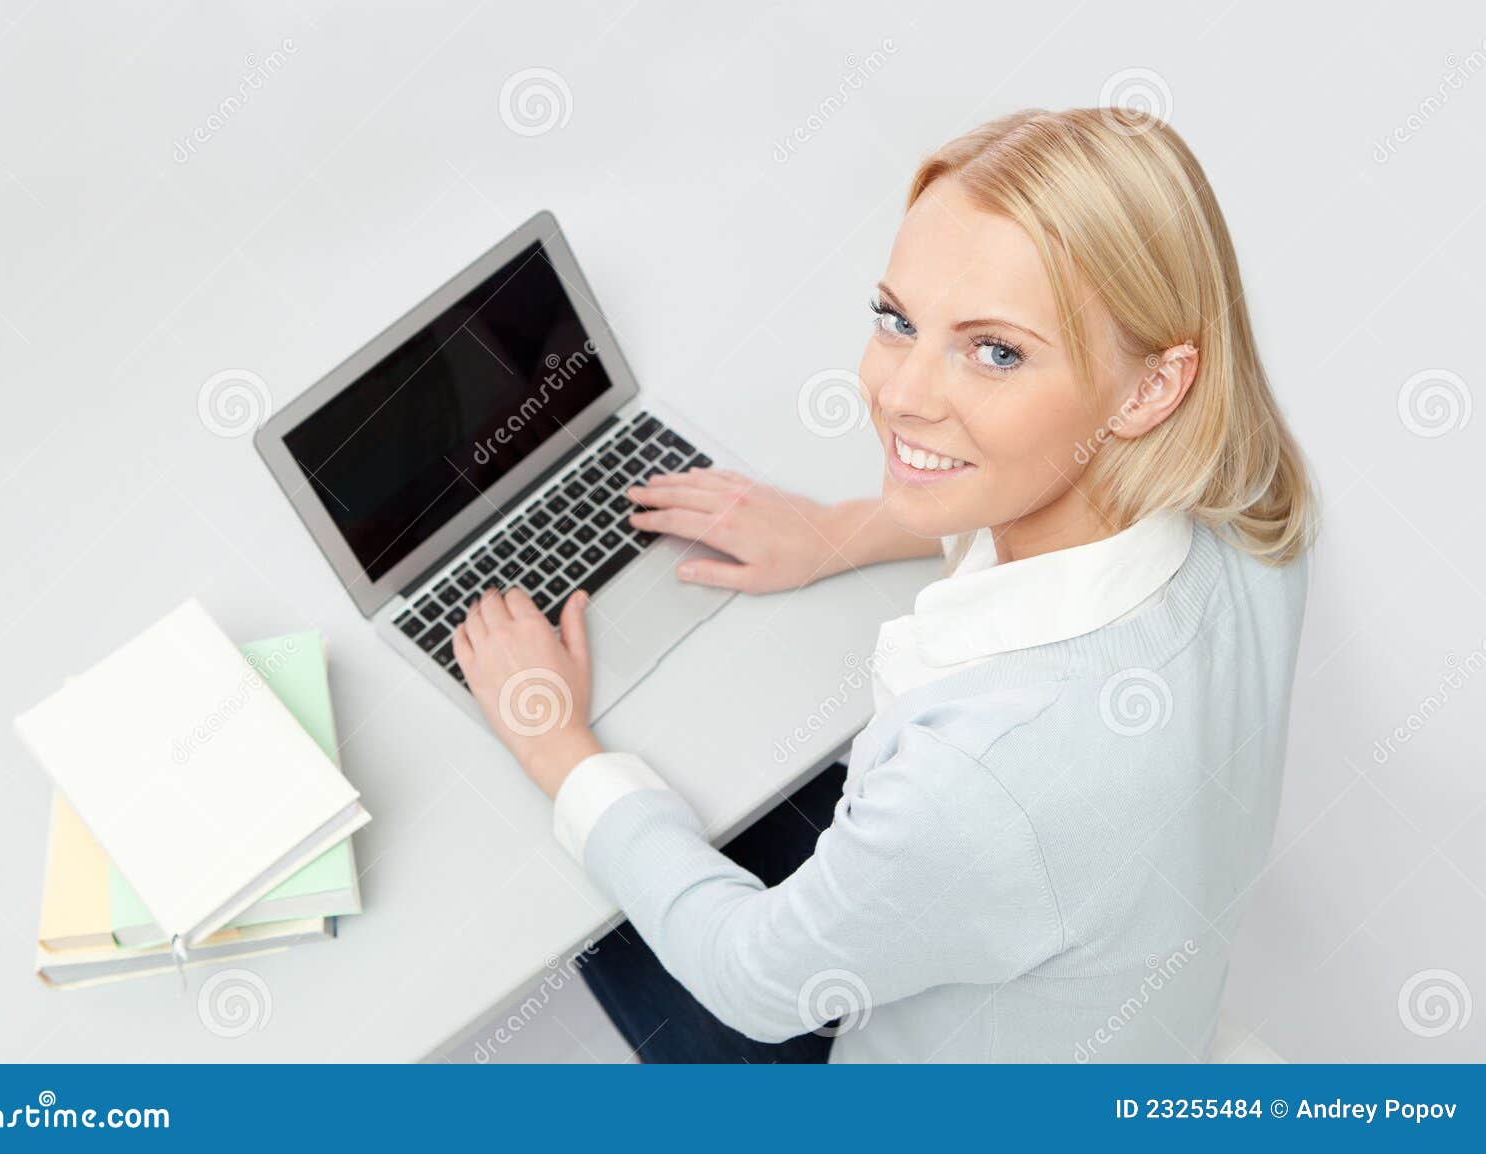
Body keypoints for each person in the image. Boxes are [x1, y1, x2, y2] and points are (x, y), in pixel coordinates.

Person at [450, 106, 1314, 1062]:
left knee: (604, 903)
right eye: (898, 320)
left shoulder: (981, 782)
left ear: (1153, 387)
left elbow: (757, 982)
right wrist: (836, 534)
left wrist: (556, 744)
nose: (900, 394)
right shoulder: (1255, 504)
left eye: (997, 352)